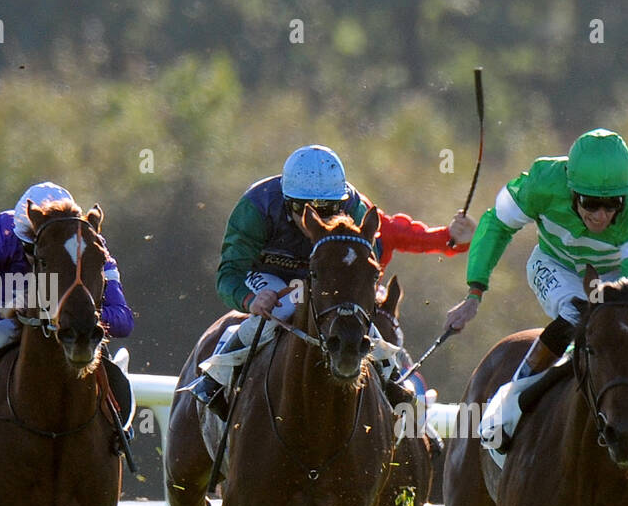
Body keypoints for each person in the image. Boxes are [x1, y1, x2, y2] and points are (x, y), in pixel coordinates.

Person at [442, 128, 628, 467]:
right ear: (571, 191)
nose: (601, 215)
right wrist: (474, 291)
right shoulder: (541, 182)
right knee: (573, 316)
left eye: (612, 204)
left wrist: (614, 309)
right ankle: (506, 410)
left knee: (627, 324)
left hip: (615, 277)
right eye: (590, 203)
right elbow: (497, 224)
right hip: (554, 265)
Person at [190, 144, 475, 415]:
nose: (315, 216)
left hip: (323, 277)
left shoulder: (355, 207)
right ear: (287, 201)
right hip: (269, 275)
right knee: (283, 308)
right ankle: (215, 376)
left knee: (355, 315)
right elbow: (229, 273)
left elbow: (383, 244)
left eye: (327, 209)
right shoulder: (256, 208)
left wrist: (450, 240)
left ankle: (392, 381)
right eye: (305, 209)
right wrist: (250, 300)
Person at [0, 182, 134, 459]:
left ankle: (122, 430)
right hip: (13, 326)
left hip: (70, 330)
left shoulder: (87, 241)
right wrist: (7, 309)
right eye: (30, 248)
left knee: (107, 362)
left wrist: (76, 314)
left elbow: (123, 319)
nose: (36, 255)